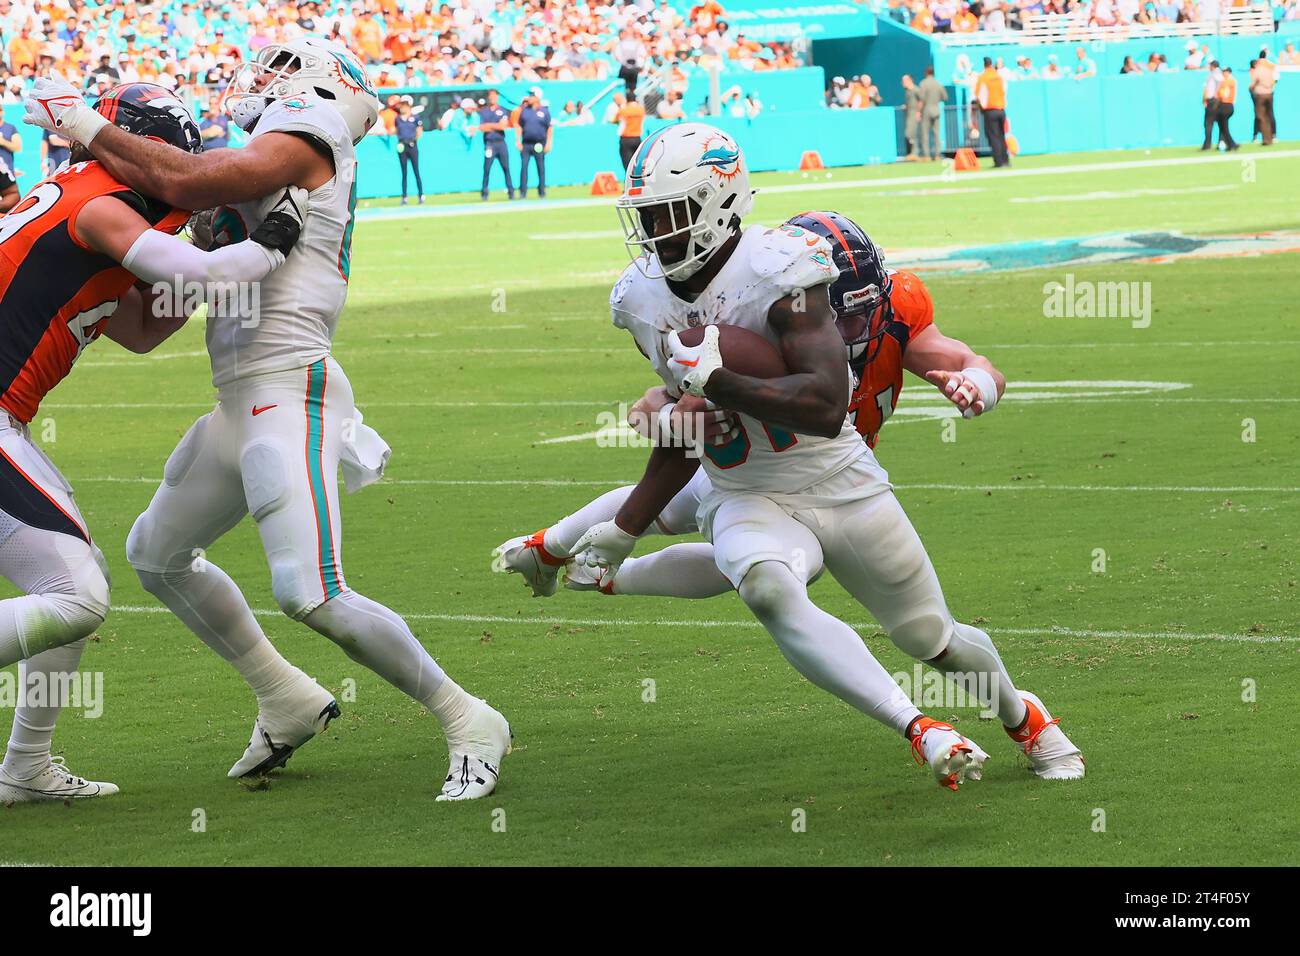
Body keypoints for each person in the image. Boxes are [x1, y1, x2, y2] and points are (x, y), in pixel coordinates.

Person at [26, 38, 511, 802]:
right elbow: (152, 321)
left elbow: (180, 173)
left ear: (324, 87)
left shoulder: (311, 134)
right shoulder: (256, 162)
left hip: (292, 386)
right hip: (237, 399)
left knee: (309, 589)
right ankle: (284, 696)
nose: (261, 80)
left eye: (282, 70)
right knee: (156, 554)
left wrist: (87, 126)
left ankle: (469, 717)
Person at [539, 132, 1082, 788]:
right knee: (765, 584)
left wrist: (980, 386)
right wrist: (666, 405)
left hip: (844, 481)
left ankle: (1023, 715)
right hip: (751, 488)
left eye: (856, 308)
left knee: (929, 638)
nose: (848, 324)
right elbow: (685, 406)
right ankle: (919, 729)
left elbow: (876, 388)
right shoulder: (665, 300)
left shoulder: (842, 295)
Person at [1, 83, 306, 803]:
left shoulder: (87, 204)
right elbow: (194, 275)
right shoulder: (102, 204)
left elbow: (142, 328)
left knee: (66, 584)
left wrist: (211, 250)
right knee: (76, 596)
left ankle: (25, 767)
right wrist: (266, 247)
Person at [515, 86, 552, 199]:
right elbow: (519, 126)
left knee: (540, 167)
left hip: (539, 143)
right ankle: (523, 192)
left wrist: (549, 143)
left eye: (532, 95)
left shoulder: (544, 111)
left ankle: (541, 191)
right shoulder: (525, 111)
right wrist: (518, 140)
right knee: (524, 167)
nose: (529, 97)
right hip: (526, 143)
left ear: (538, 97)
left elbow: (549, 128)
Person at [478, 88, 514, 201]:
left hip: (500, 142)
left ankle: (511, 191)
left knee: (506, 168)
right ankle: (484, 192)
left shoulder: (502, 111)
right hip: (489, 143)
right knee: (487, 168)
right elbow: (482, 127)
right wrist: (495, 125)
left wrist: (490, 126)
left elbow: (502, 126)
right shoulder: (484, 111)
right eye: (491, 96)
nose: (492, 98)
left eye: (494, 96)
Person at [974, 57, 1010, 167]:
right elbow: (1004, 91)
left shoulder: (983, 77)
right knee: (1001, 136)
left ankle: (998, 162)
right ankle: (1006, 160)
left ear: (984, 64)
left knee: (993, 137)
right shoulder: (999, 76)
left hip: (990, 110)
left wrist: (980, 107)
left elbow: (979, 95)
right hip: (1001, 109)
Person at [393, 97, 424, 204]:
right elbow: (397, 131)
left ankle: (421, 195)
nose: (402, 107)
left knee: (416, 171)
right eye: (401, 105)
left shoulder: (415, 117)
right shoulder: (397, 119)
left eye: (404, 105)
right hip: (402, 146)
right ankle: (404, 197)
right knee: (404, 173)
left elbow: (419, 132)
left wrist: (413, 140)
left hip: (412, 146)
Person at [918, 65, 946, 160]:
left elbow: (921, 99)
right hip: (936, 110)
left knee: (924, 133)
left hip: (926, 110)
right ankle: (938, 154)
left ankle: (926, 155)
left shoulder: (923, 83)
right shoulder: (938, 83)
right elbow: (945, 97)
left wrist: (918, 112)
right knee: (937, 134)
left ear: (926, 73)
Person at [1250, 50, 1277, 146]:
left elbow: (1254, 82)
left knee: (1261, 116)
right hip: (1270, 93)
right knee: (1270, 114)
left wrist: (1251, 88)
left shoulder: (1258, 69)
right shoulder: (1270, 67)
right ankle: (1273, 136)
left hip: (1260, 94)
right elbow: (1275, 80)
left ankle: (1266, 139)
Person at [614, 90, 645, 170]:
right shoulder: (641, 109)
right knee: (637, 163)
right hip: (637, 138)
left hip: (626, 138)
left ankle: (628, 181)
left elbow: (615, 120)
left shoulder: (624, 110)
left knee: (627, 164)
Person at [1215, 66, 1239, 151]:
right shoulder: (1228, 81)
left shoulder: (1228, 81)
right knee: (1223, 127)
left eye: (1225, 72)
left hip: (1226, 105)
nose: (1223, 73)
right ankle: (1230, 144)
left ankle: (1231, 144)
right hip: (1227, 105)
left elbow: (1222, 94)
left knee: (1223, 127)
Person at [1201, 61, 1222, 150]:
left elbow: (1220, 83)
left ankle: (1208, 144)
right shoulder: (1214, 73)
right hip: (1214, 99)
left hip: (1213, 100)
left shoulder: (1215, 74)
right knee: (1219, 123)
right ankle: (1220, 142)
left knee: (1209, 123)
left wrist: (1215, 95)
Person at [902, 74, 921, 159]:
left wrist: (918, 112)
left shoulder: (916, 89)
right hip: (909, 113)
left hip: (914, 113)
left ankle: (914, 153)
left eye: (904, 81)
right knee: (909, 134)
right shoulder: (907, 91)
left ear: (910, 80)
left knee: (911, 134)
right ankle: (910, 153)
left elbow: (921, 101)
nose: (902, 83)